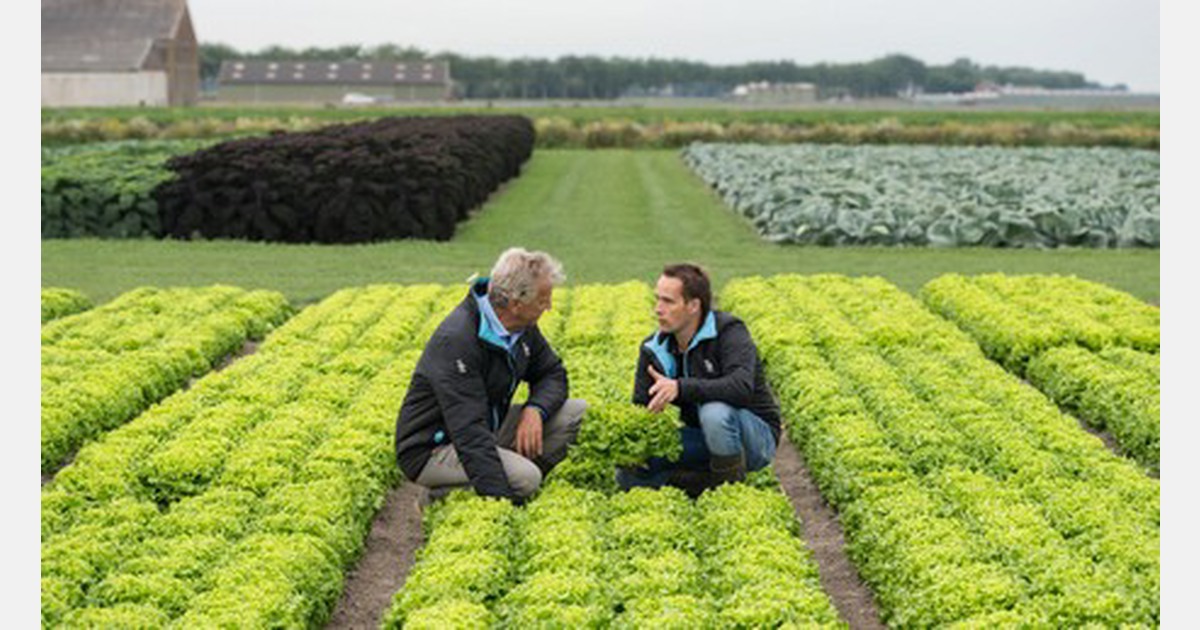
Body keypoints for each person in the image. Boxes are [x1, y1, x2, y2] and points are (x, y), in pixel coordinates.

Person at [394, 247, 585, 504]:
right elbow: (469, 432)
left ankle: (511, 478)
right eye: (543, 300)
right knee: (526, 478)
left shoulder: (522, 328)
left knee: (576, 414)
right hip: (435, 447)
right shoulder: (457, 340)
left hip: (487, 427)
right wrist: (500, 505)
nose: (549, 307)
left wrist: (535, 410)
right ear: (516, 303)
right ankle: (440, 495)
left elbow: (552, 373)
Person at [621, 263, 781, 497]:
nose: (658, 309)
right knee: (632, 464)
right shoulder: (654, 348)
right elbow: (640, 407)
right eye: (657, 299)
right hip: (703, 436)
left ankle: (728, 491)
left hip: (754, 438)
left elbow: (741, 387)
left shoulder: (729, 332)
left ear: (693, 306)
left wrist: (680, 387)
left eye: (668, 301)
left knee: (714, 412)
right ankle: (700, 483)